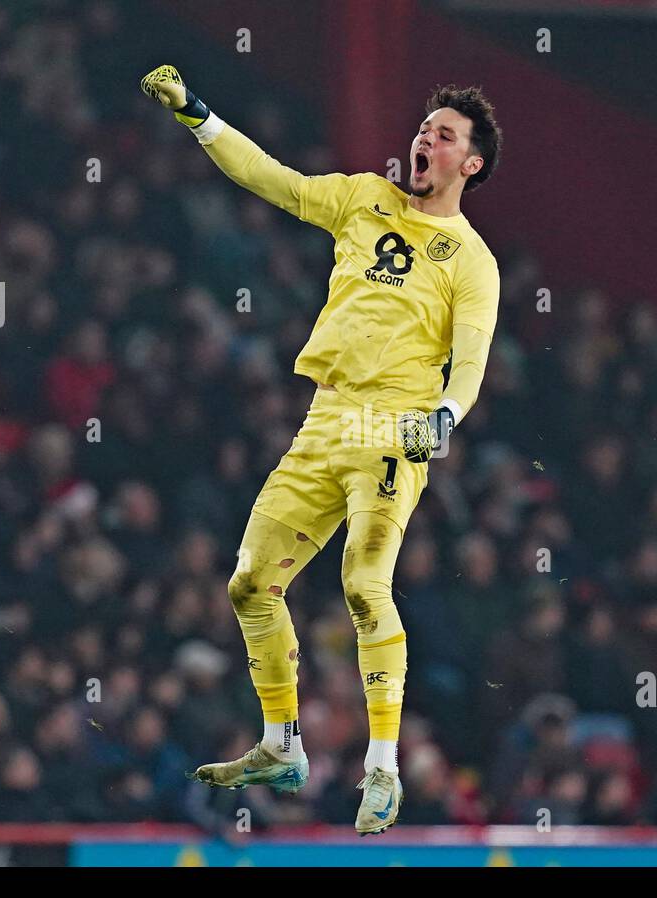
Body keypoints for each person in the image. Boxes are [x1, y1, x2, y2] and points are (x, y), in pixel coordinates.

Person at [140, 66, 502, 834]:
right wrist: (197, 116)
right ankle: (281, 743)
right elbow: (269, 178)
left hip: (392, 429)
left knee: (365, 586)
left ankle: (383, 768)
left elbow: (467, 368)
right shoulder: (362, 198)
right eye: (423, 128)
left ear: (469, 164)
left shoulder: (471, 262)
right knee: (247, 586)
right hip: (325, 421)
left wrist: (440, 416)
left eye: (443, 136)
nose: (423, 140)